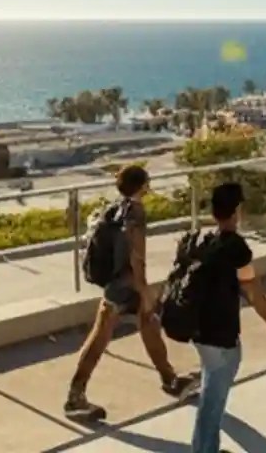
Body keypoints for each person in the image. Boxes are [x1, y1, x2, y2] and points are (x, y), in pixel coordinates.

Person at [65, 165, 198, 421]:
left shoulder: (116, 208)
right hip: (126, 286)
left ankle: (170, 380)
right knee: (101, 337)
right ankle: (75, 397)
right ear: (143, 186)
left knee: (148, 325)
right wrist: (144, 289)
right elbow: (137, 257)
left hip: (118, 283)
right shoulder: (135, 212)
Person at [191, 182, 266, 453]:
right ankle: (203, 450)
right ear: (237, 211)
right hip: (221, 334)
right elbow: (254, 293)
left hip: (198, 330)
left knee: (211, 390)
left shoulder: (203, 241)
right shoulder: (236, 249)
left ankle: (208, 447)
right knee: (213, 400)